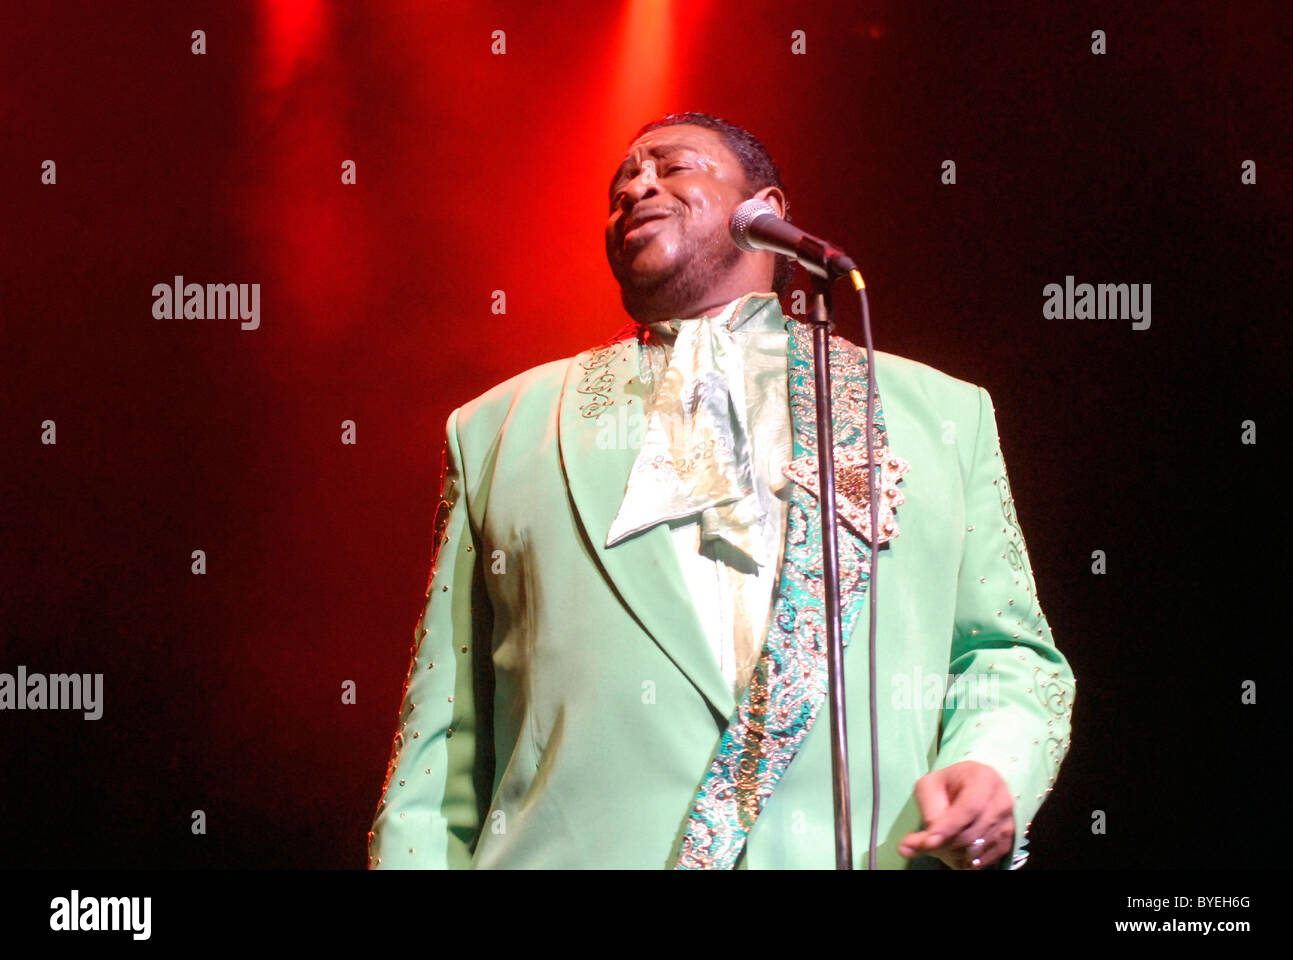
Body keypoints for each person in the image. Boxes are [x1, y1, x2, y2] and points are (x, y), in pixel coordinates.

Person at [366, 112, 1075, 870]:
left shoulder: (935, 413)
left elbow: (1007, 657)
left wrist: (996, 767)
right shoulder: (500, 429)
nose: (637, 186)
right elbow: (439, 745)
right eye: (622, 183)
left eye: (671, 167)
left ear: (764, 210)